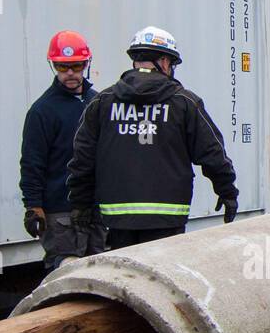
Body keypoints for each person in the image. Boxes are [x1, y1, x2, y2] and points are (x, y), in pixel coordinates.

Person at [68, 26, 237, 250]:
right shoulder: (184, 103)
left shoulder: (103, 102)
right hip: (167, 216)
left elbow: (82, 159)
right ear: (165, 62)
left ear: (135, 60)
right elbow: (212, 153)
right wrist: (227, 191)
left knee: (125, 278)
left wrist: (80, 203)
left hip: (119, 219)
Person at [21, 30, 103, 269]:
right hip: (59, 211)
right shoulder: (42, 111)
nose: (69, 73)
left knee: (98, 271)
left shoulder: (97, 103)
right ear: (54, 66)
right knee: (67, 270)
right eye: (62, 67)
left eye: (76, 66)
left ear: (86, 64)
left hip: (95, 208)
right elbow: (32, 162)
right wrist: (33, 206)